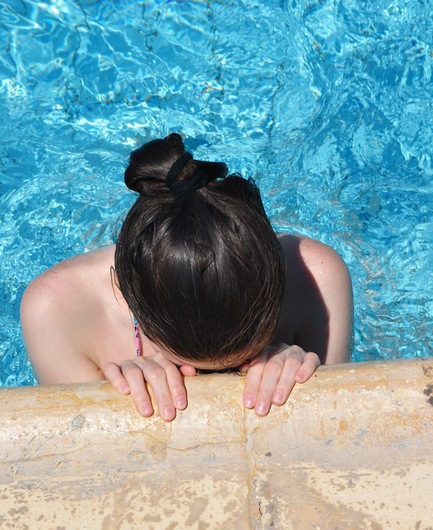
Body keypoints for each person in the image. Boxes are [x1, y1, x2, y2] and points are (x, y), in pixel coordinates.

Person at [21, 133, 353, 421]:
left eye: (245, 361)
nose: (214, 379)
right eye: (188, 367)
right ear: (130, 301)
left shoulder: (316, 277)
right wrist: (117, 394)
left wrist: (305, 371)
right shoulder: (56, 310)